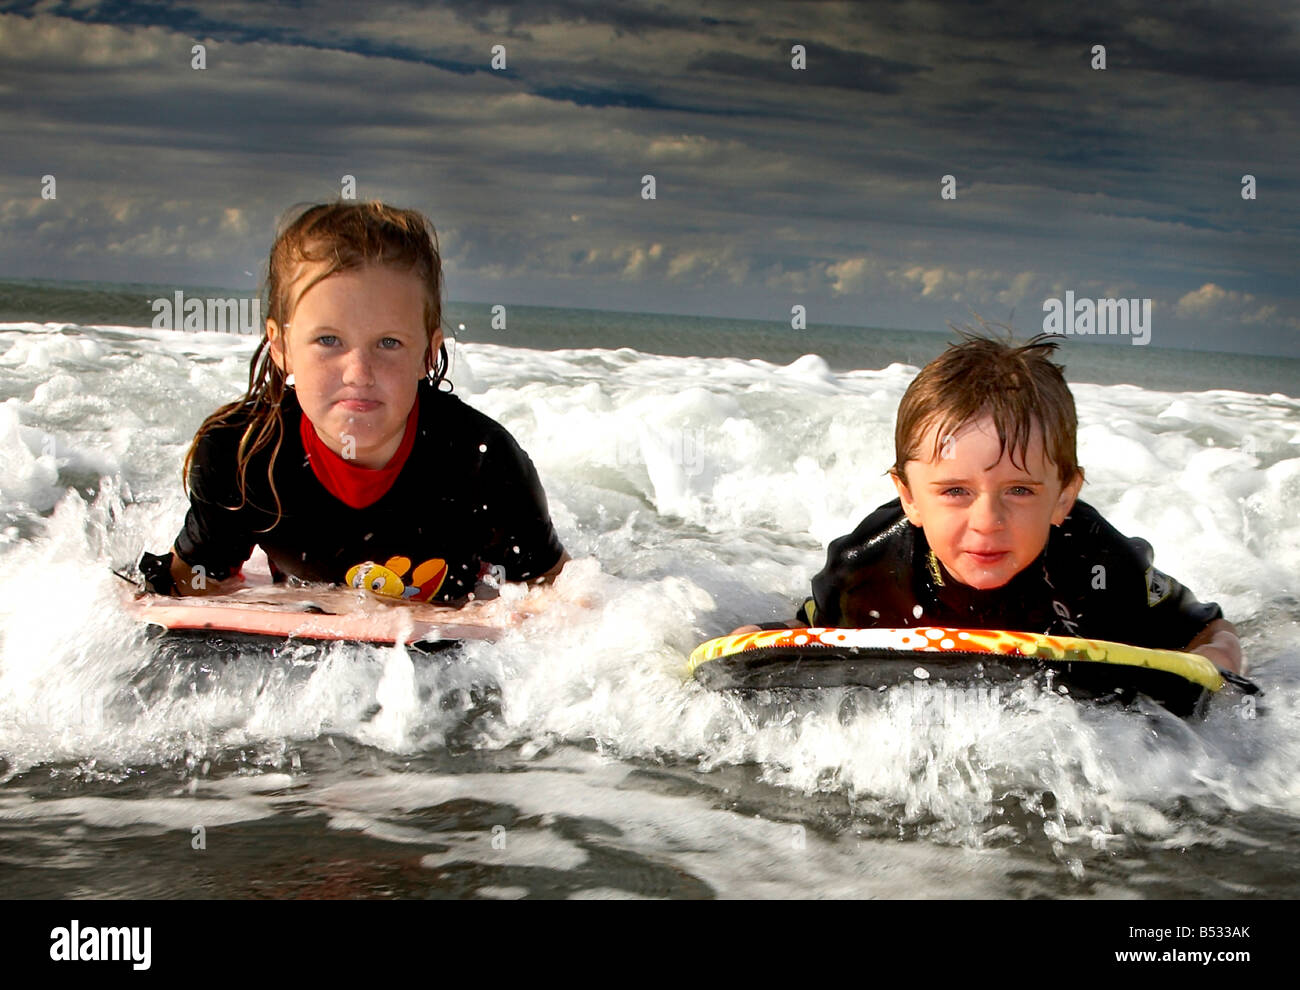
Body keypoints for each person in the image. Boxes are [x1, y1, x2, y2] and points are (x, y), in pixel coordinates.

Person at [733, 331, 1244, 674]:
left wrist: (1219, 660)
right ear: (909, 497)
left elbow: (1208, 631)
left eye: (1019, 491)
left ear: (1064, 496)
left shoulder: (1100, 565)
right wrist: (753, 640)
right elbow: (801, 634)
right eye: (955, 491)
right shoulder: (870, 564)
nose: (987, 522)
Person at [139, 201, 567, 603]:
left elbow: (559, 597)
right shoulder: (245, 454)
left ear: (428, 354)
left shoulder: (482, 463)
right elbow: (190, 587)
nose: (359, 372)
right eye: (328, 340)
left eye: (388, 342)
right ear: (280, 345)